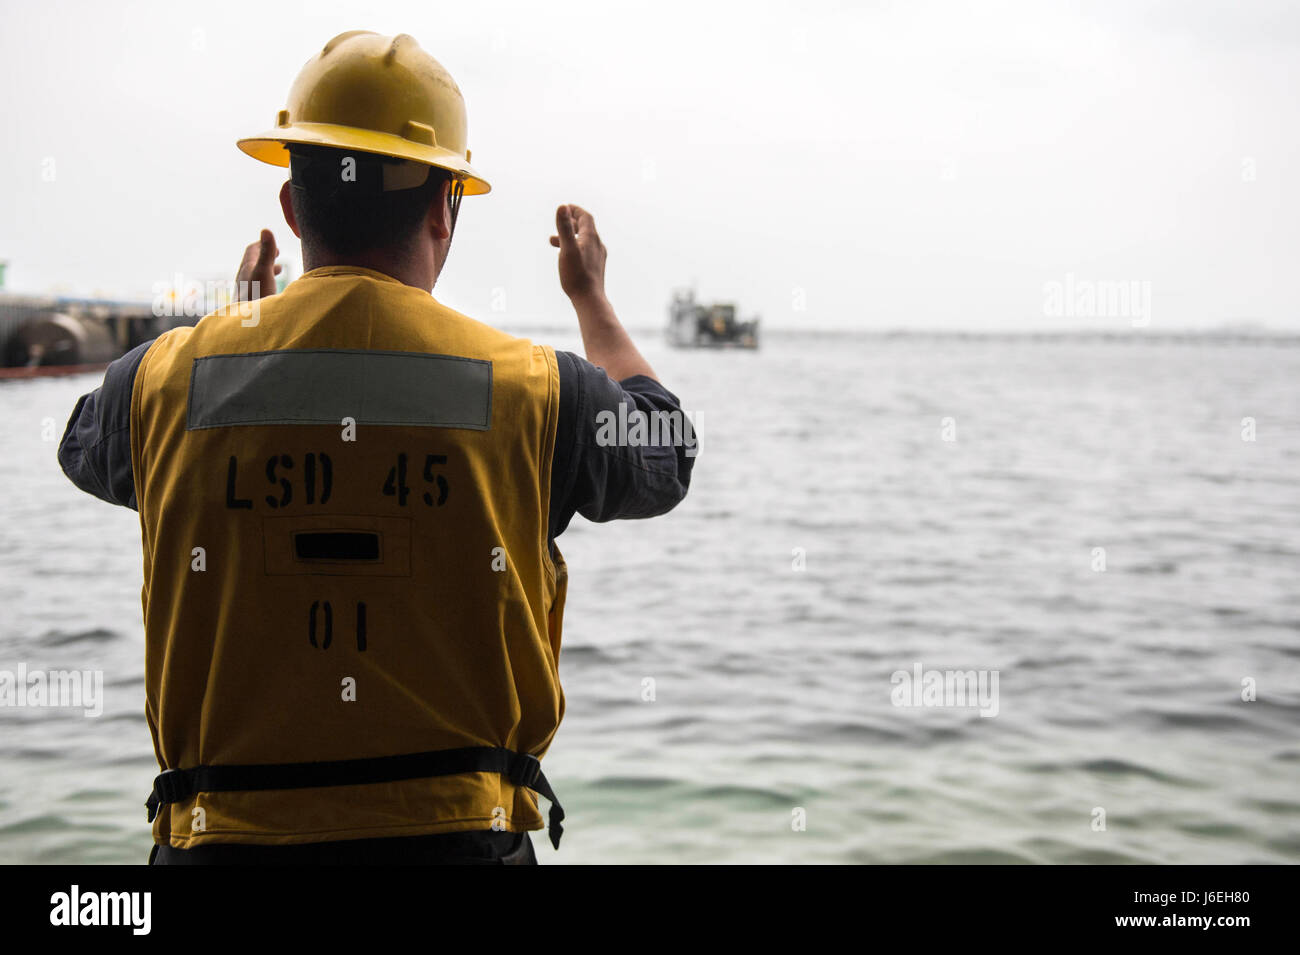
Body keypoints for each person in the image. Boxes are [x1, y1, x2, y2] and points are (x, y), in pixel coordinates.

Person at [56, 30, 695, 865]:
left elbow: (83, 444)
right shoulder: (536, 390)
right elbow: (665, 450)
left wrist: (236, 327)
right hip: (458, 844)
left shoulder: (167, 383)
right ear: (441, 207)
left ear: (293, 205)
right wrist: (592, 300)